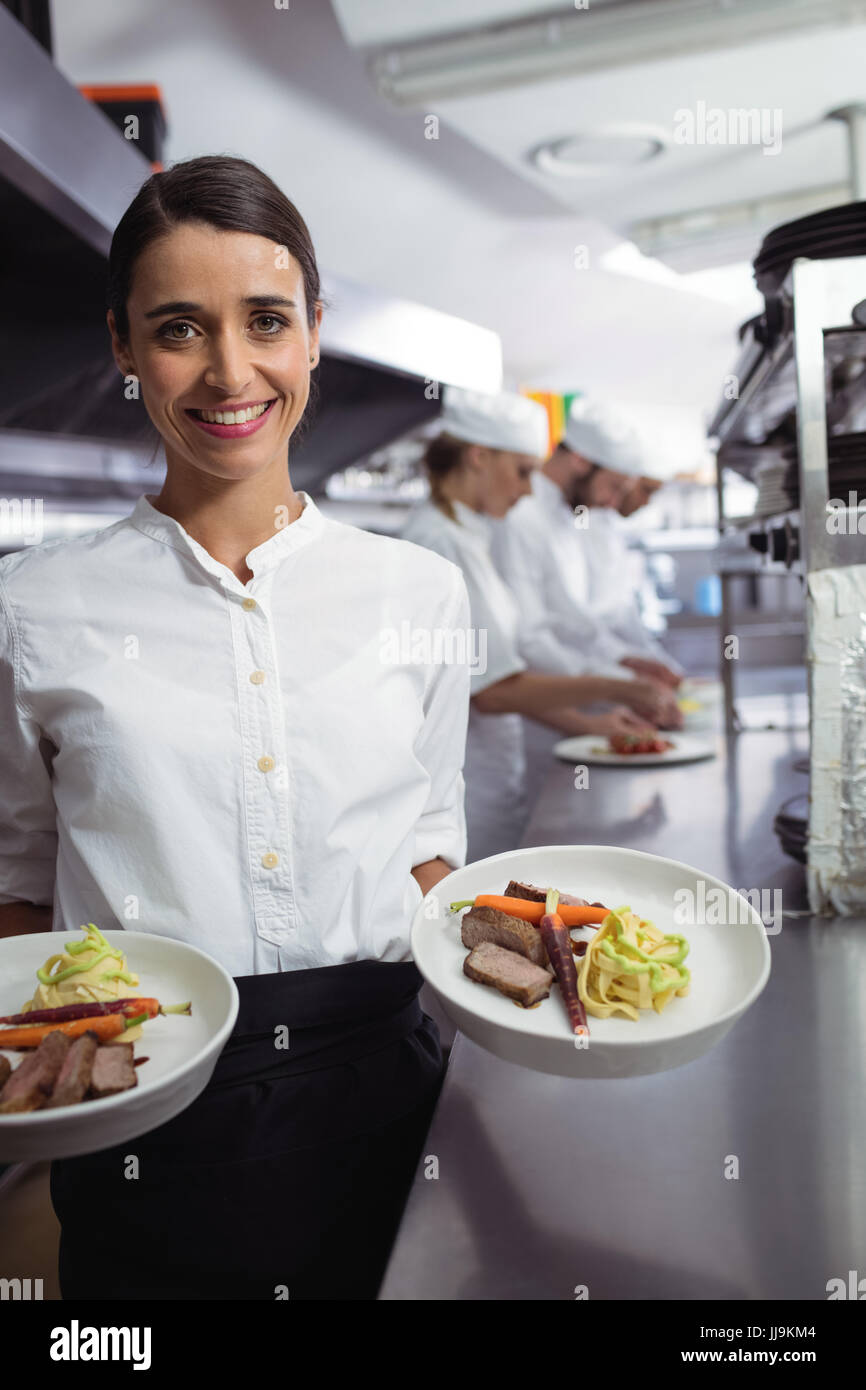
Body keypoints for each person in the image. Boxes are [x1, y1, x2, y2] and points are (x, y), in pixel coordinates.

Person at [0, 154, 474, 1301]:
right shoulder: (30, 605)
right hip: (144, 1094)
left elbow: (429, 834)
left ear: (314, 329)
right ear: (121, 346)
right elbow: (19, 870)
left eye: (265, 319)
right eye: (178, 328)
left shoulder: (420, 593)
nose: (230, 370)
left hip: (384, 1078)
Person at [400, 387, 680, 863]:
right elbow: (492, 691)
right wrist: (621, 689)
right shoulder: (440, 540)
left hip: (492, 769)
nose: (530, 489)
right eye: (523, 472)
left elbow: (497, 676)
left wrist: (590, 721)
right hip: (466, 783)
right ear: (478, 457)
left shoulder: (470, 535)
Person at [489, 395, 683, 812]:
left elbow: (579, 625)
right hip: (540, 720)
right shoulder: (522, 516)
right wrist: (616, 682)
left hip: (579, 714)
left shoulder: (567, 518)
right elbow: (530, 639)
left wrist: (626, 667)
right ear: (580, 461)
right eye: (614, 486)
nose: (613, 503)